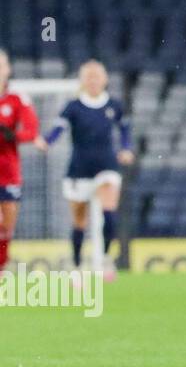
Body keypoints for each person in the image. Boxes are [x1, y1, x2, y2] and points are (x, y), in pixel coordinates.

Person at [35, 60, 134, 273]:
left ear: (105, 79)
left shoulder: (114, 105)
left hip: (107, 165)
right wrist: (47, 142)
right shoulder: (73, 107)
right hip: (79, 169)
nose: (93, 80)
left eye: (97, 76)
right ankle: (77, 263)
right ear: (82, 80)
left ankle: (106, 257)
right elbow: (58, 129)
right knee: (80, 220)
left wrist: (126, 149)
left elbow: (125, 130)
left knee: (109, 212)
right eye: (89, 76)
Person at [0, 49, 40, 270]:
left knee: (6, 226)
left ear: (7, 69)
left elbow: (32, 130)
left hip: (7, 172)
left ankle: (2, 268)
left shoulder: (17, 98)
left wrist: (13, 136)